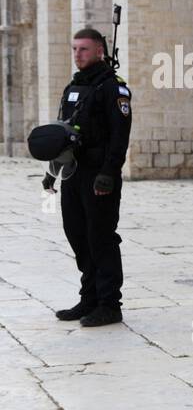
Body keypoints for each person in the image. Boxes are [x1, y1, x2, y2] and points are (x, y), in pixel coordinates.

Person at [44, 29, 132, 327]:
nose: (78, 54)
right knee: (77, 233)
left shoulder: (113, 88)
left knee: (101, 236)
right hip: (73, 172)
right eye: (75, 49)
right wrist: (52, 171)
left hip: (99, 174)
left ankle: (109, 304)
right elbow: (64, 132)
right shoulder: (74, 86)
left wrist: (109, 173)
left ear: (100, 51)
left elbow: (120, 136)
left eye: (84, 49)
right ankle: (89, 298)